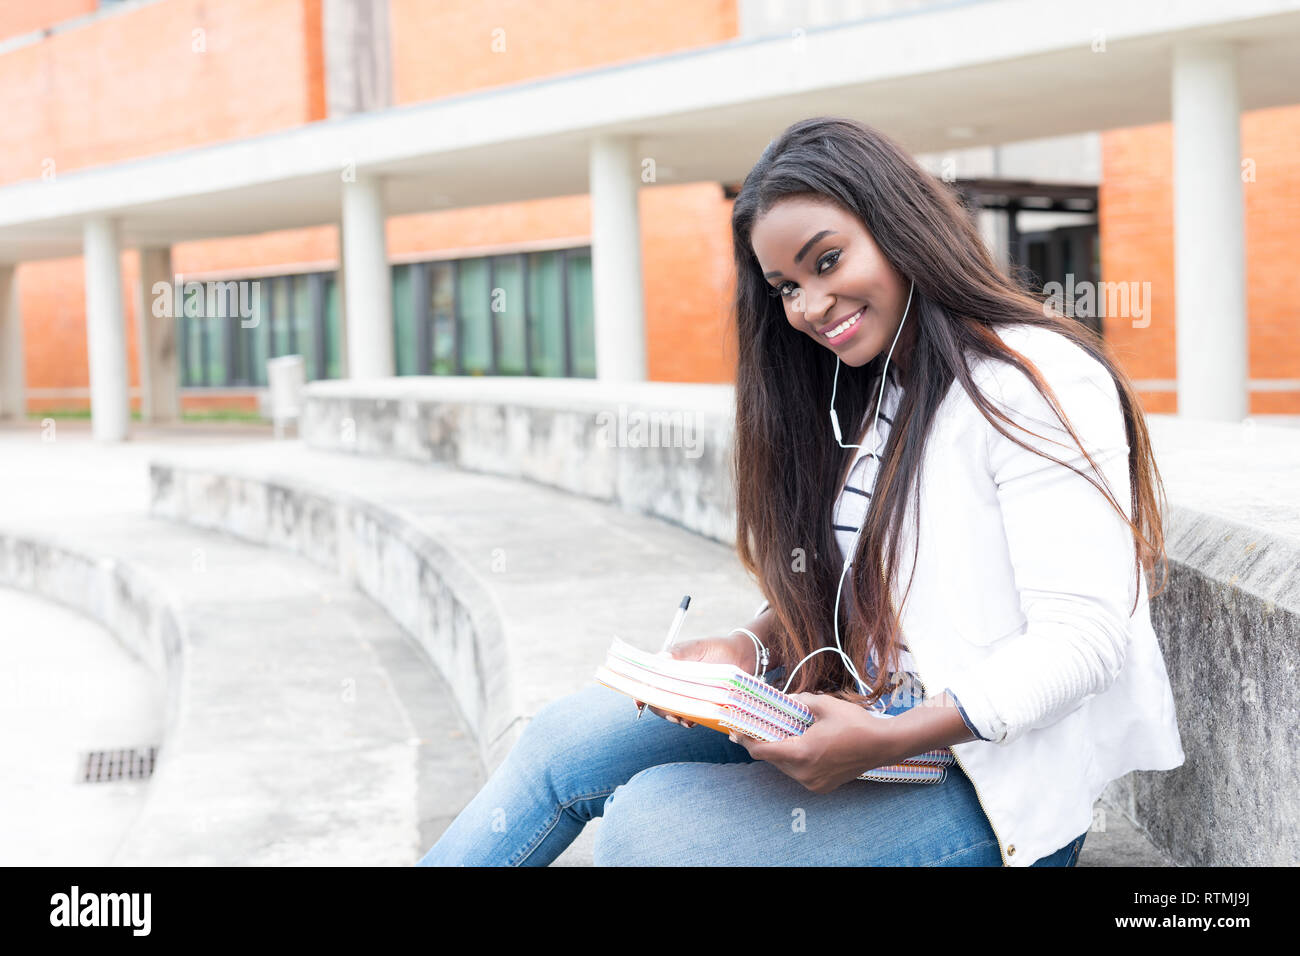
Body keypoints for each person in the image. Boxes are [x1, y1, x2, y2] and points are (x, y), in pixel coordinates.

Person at [415, 116, 1184, 867]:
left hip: (984, 782)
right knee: (563, 743)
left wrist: (893, 735)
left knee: (652, 832)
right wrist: (752, 644)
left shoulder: (1032, 381)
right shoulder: (876, 383)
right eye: (785, 286)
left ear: (901, 228)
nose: (809, 308)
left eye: (827, 262)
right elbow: (859, 580)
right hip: (860, 709)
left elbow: (1084, 642)